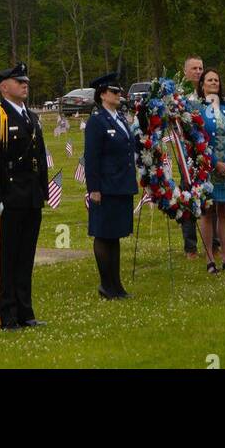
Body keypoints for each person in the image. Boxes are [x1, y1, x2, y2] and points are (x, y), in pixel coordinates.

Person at [0, 61, 50, 328]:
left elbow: (39, 157)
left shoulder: (31, 117)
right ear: (4, 87)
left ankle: (25, 312)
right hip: (7, 199)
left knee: (25, 258)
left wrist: (43, 190)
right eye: (20, 82)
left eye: (26, 82)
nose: (25, 85)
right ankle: (6, 315)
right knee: (6, 259)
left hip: (30, 197)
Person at [84, 73, 138, 300]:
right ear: (103, 94)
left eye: (120, 91)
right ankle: (107, 285)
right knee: (104, 234)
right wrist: (93, 187)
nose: (119, 95)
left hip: (122, 184)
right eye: (115, 92)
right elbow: (92, 156)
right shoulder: (97, 121)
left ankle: (116, 284)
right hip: (105, 186)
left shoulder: (121, 118)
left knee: (115, 235)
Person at [196, 68, 225, 273]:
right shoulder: (197, 109)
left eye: (216, 80)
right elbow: (197, 139)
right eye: (210, 80)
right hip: (207, 168)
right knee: (207, 213)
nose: (214, 82)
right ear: (202, 85)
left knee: (224, 213)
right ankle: (209, 259)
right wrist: (215, 163)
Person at [179, 55, 220, 259]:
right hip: (188, 155)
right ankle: (190, 246)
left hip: (209, 155)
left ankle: (214, 243)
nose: (197, 71)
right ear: (185, 72)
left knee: (211, 198)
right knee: (189, 198)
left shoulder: (209, 96)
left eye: (200, 68)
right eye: (193, 68)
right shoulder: (182, 97)